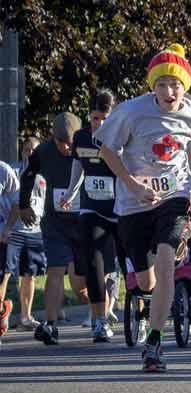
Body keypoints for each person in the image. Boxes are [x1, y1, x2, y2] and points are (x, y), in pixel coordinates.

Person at [95, 43, 191, 372]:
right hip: (133, 203)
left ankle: (155, 342)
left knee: (165, 264)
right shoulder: (131, 112)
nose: (169, 91)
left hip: (174, 195)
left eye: (175, 84)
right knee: (145, 282)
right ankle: (150, 306)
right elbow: (106, 150)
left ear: (184, 86)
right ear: (153, 86)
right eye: (162, 84)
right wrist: (132, 185)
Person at [17, 112, 87, 346]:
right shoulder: (43, 152)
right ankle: (50, 325)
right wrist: (24, 205)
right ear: (52, 138)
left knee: (81, 284)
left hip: (85, 220)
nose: (67, 147)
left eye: (71, 143)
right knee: (55, 270)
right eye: (61, 142)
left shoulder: (88, 146)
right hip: (56, 222)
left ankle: (100, 314)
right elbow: (28, 176)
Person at [62, 89, 123, 343]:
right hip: (91, 208)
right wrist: (70, 192)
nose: (99, 124)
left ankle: (141, 313)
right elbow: (78, 166)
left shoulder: (123, 136)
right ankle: (99, 321)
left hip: (121, 208)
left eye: (104, 119)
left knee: (132, 262)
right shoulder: (82, 137)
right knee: (93, 261)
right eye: (95, 118)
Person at [1, 154, 40, 342]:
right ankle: (4, 309)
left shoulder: (4, 171)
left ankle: (4, 310)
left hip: (6, 233)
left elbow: (18, 201)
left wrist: (7, 228)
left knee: (3, 278)